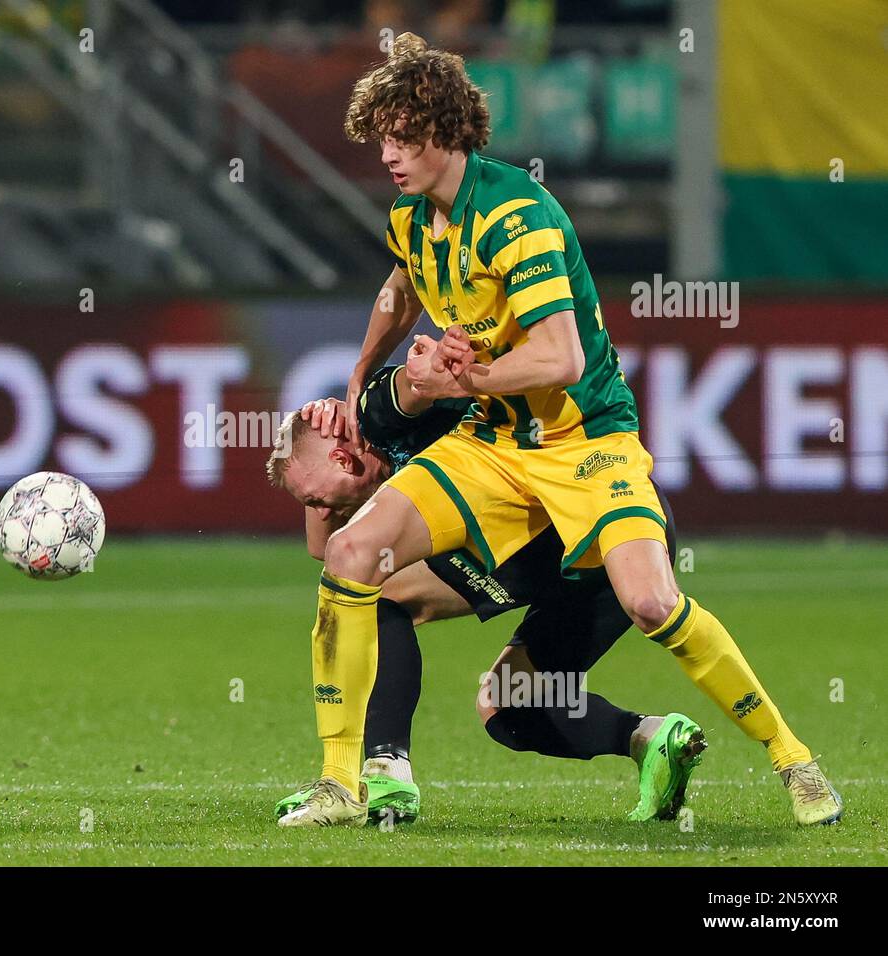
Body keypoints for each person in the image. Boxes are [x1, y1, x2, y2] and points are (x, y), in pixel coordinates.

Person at [283, 32, 841, 828]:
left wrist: (467, 375)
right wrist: (358, 373)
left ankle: (795, 761)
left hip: (585, 445)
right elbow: (401, 288)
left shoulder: (515, 213)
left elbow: (559, 353)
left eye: (402, 137)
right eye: (382, 139)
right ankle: (343, 784)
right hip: (495, 445)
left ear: (444, 131)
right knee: (348, 554)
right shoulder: (413, 218)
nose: (389, 155)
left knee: (651, 603)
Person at [268, 370, 706, 826]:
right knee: (508, 705)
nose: (319, 514)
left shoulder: (409, 410)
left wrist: (351, 413)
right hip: (583, 551)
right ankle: (652, 738)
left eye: (315, 499)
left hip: (599, 527)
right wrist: (312, 427)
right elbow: (327, 549)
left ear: (345, 458)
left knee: (380, 596)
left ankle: (386, 769)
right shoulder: (368, 448)